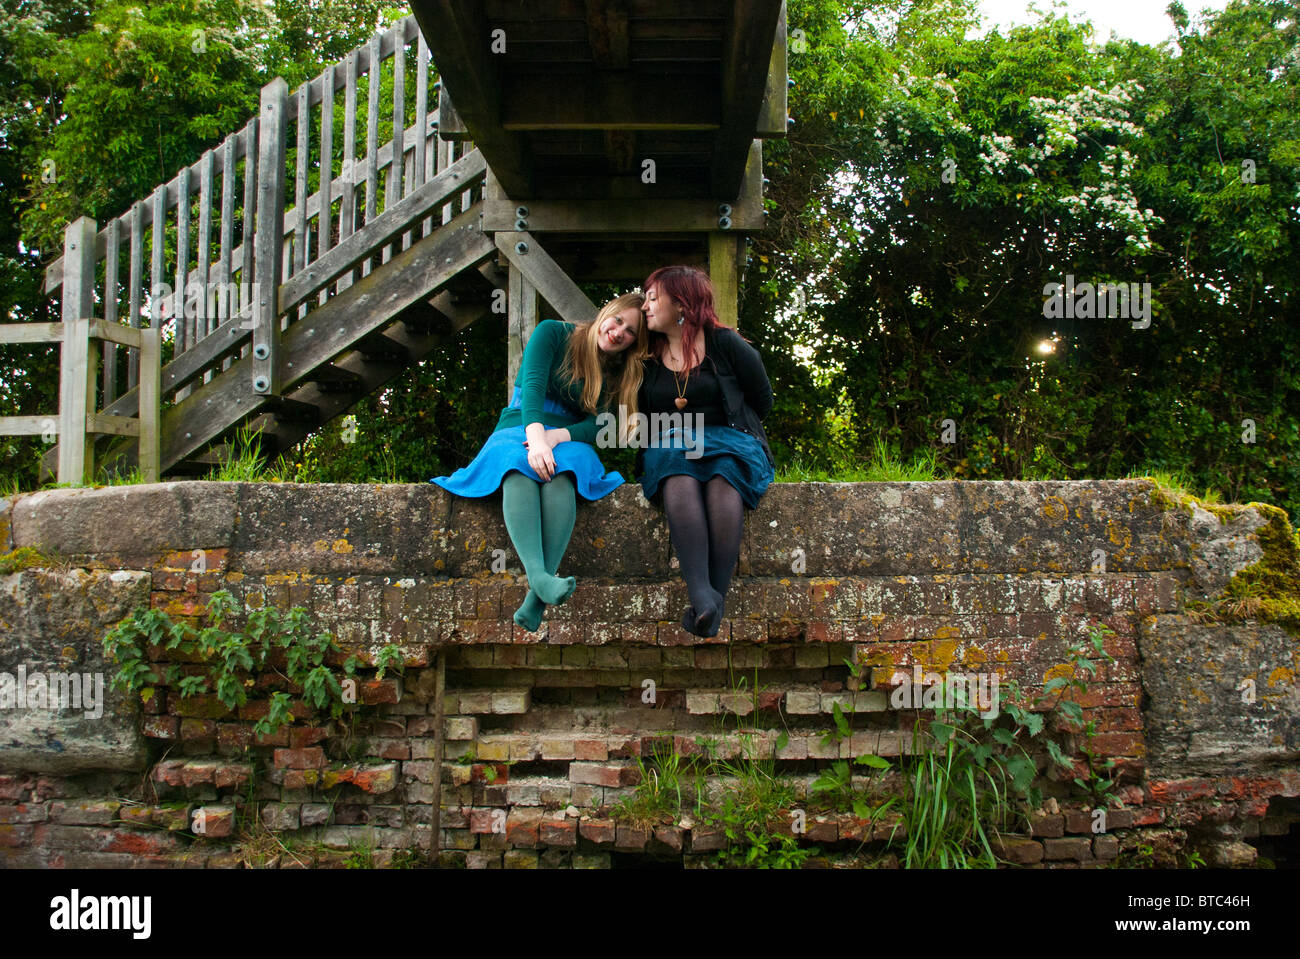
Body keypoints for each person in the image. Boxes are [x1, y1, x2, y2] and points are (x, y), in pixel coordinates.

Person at [432, 292, 647, 631]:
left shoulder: (617, 371)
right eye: (618, 320)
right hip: (521, 422)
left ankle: (535, 598)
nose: (619, 331)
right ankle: (540, 579)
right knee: (518, 467)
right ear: (606, 313)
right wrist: (535, 439)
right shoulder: (553, 332)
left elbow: (600, 424)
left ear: (634, 343)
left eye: (631, 332)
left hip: (569, 435)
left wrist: (555, 437)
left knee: (564, 473)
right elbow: (531, 387)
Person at [636, 265, 774, 638]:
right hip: (672, 442)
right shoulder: (647, 354)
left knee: (723, 474)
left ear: (680, 303)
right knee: (673, 464)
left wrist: (725, 436)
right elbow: (641, 415)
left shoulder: (725, 343)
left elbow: (762, 400)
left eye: (652, 298)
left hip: (730, 438)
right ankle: (702, 594)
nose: (645, 306)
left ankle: (713, 601)